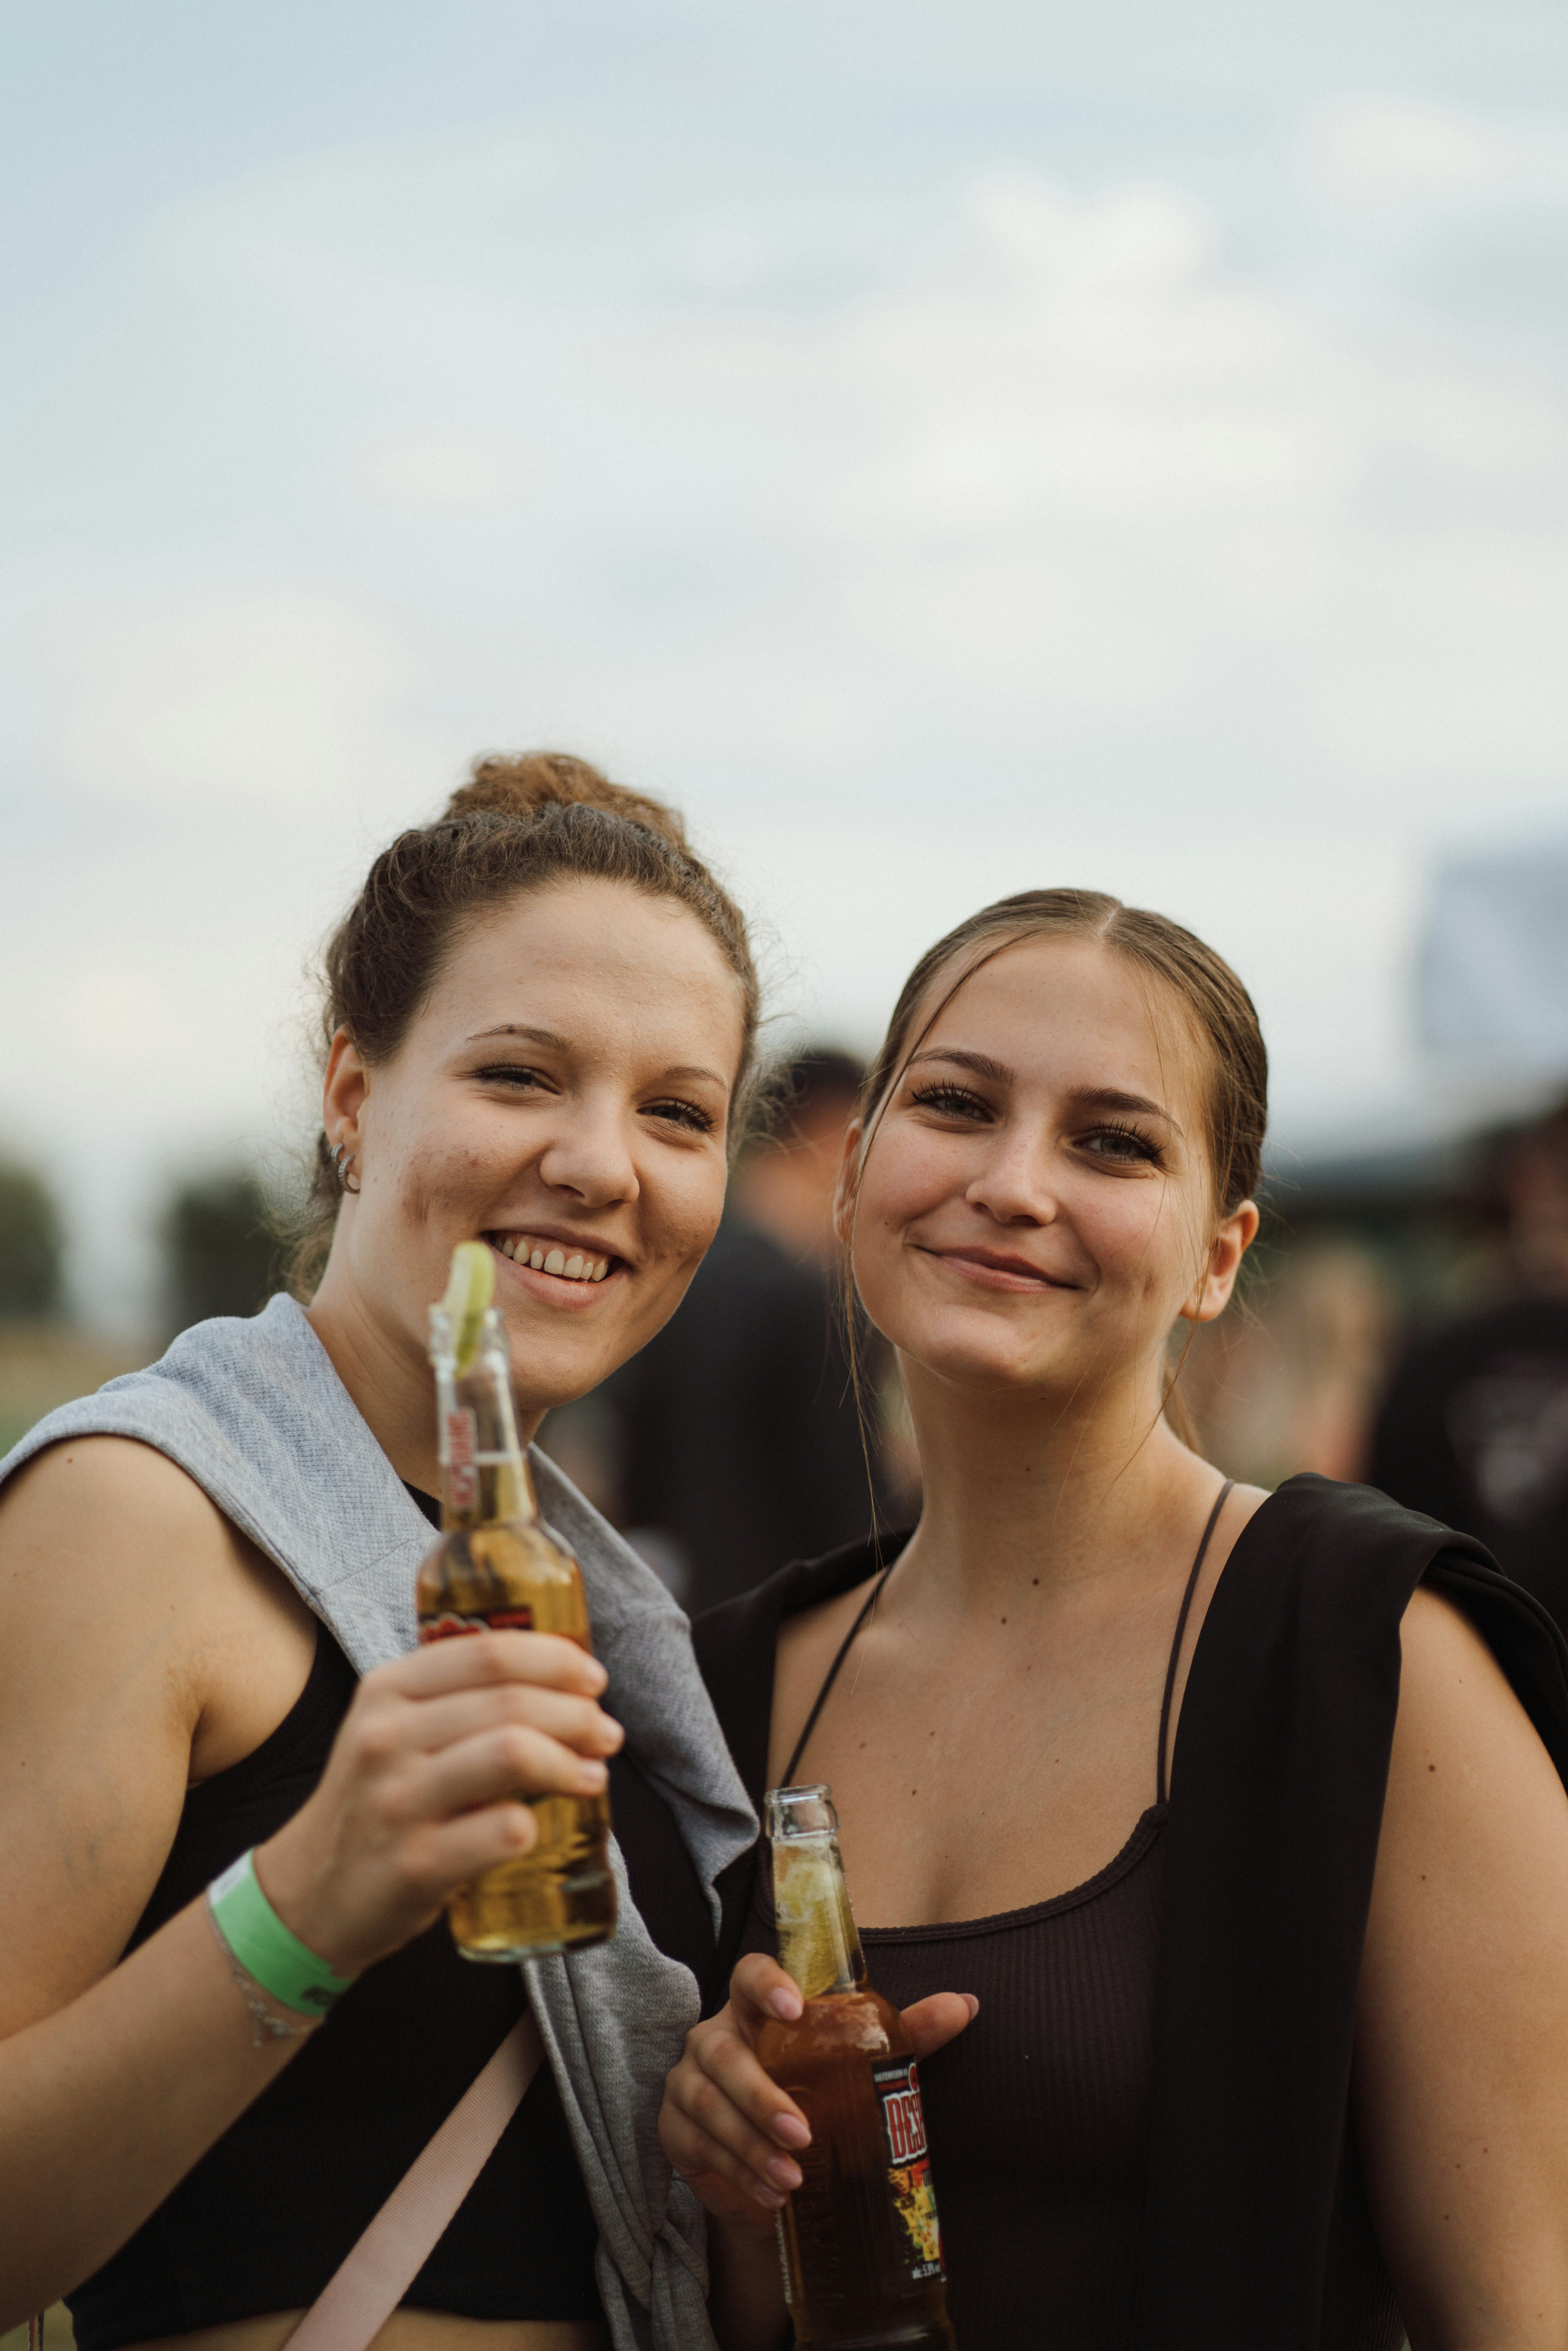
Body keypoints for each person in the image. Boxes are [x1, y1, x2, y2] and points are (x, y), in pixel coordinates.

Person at [660, 888, 1568, 2351]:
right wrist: (721, 2168)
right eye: (954, 1105)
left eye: (1111, 1142)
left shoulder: (1362, 1653)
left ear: (1218, 1254)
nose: (1011, 1183)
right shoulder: (718, 1683)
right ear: (850, 1176)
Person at [0, 754, 770, 2351]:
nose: (601, 1164)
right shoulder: (138, 1519)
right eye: (519, 1076)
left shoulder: (602, 1604)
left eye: (676, 1113)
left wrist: (726, 2130)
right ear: (352, 1096)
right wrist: (306, 1903)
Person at [596, 1048, 898, 1615]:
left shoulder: (671, 1279)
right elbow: (857, 1527)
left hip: (685, 1623)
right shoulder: (813, 1303)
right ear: (834, 1135)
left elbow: (628, 1464)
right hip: (795, 1633)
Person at [1370, 1098, 1568, 1626]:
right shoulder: (1437, 1355)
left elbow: (1384, 1547)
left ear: (1529, 1185)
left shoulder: (1434, 1357)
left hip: (1476, 1663)